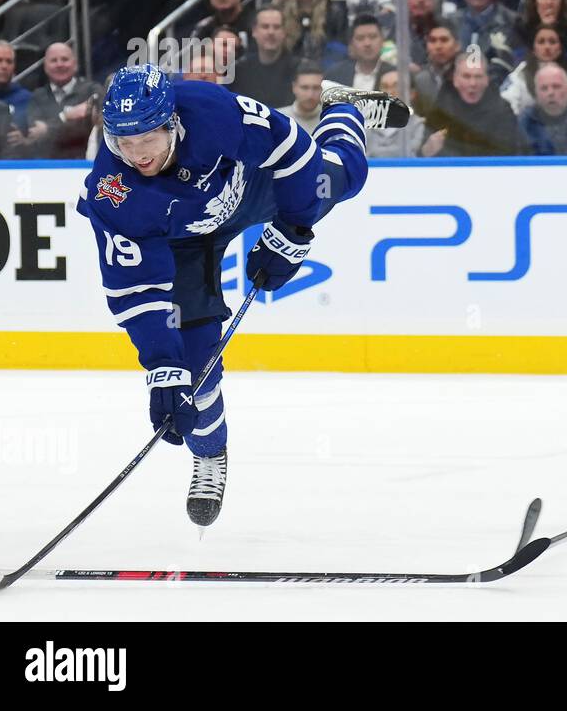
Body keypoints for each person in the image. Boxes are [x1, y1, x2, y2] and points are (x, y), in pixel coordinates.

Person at [78, 63, 410, 525]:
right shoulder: (112, 192)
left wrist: (295, 228)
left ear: (173, 122)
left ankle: (342, 109)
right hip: (181, 243)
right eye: (125, 143)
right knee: (193, 369)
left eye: (148, 140)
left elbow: (293, 152)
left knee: (339, 177)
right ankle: (210, 456)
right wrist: (162, 368)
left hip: (249, 186)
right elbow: (136, 290)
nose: (138, 155)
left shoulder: (215, 112)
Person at [421, 51, 529, 157]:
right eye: (466, 76)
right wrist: (427, 151)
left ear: (487, 79)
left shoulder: (502, 111)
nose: (472, 83)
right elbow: (420, 157)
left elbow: (511, 155)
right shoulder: (440, 110)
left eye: (478, 77)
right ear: (455, 79)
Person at [24, 41, 100, 159]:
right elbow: (37, 136)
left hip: (84, 165)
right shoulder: (37, 97)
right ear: (45, 66)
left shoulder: (92, 90)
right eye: (54, 60)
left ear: (75, 64)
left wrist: (48, 128)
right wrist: (67, 116)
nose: (59, 64)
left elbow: (89, 130)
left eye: (65, 59)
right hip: (48, 168)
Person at [228, 7, 297, 108]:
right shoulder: (239, 70)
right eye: (265, 26)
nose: (271, 32)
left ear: (284, 32)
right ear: (254, 31)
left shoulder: (298, 69)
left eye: (276, 27)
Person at [275, 63, 324, 133]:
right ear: (294, 87)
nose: (310, 94)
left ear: (323, 89)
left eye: (316, 88)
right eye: (305, 87)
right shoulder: (277, 119)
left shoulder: (331, 120)